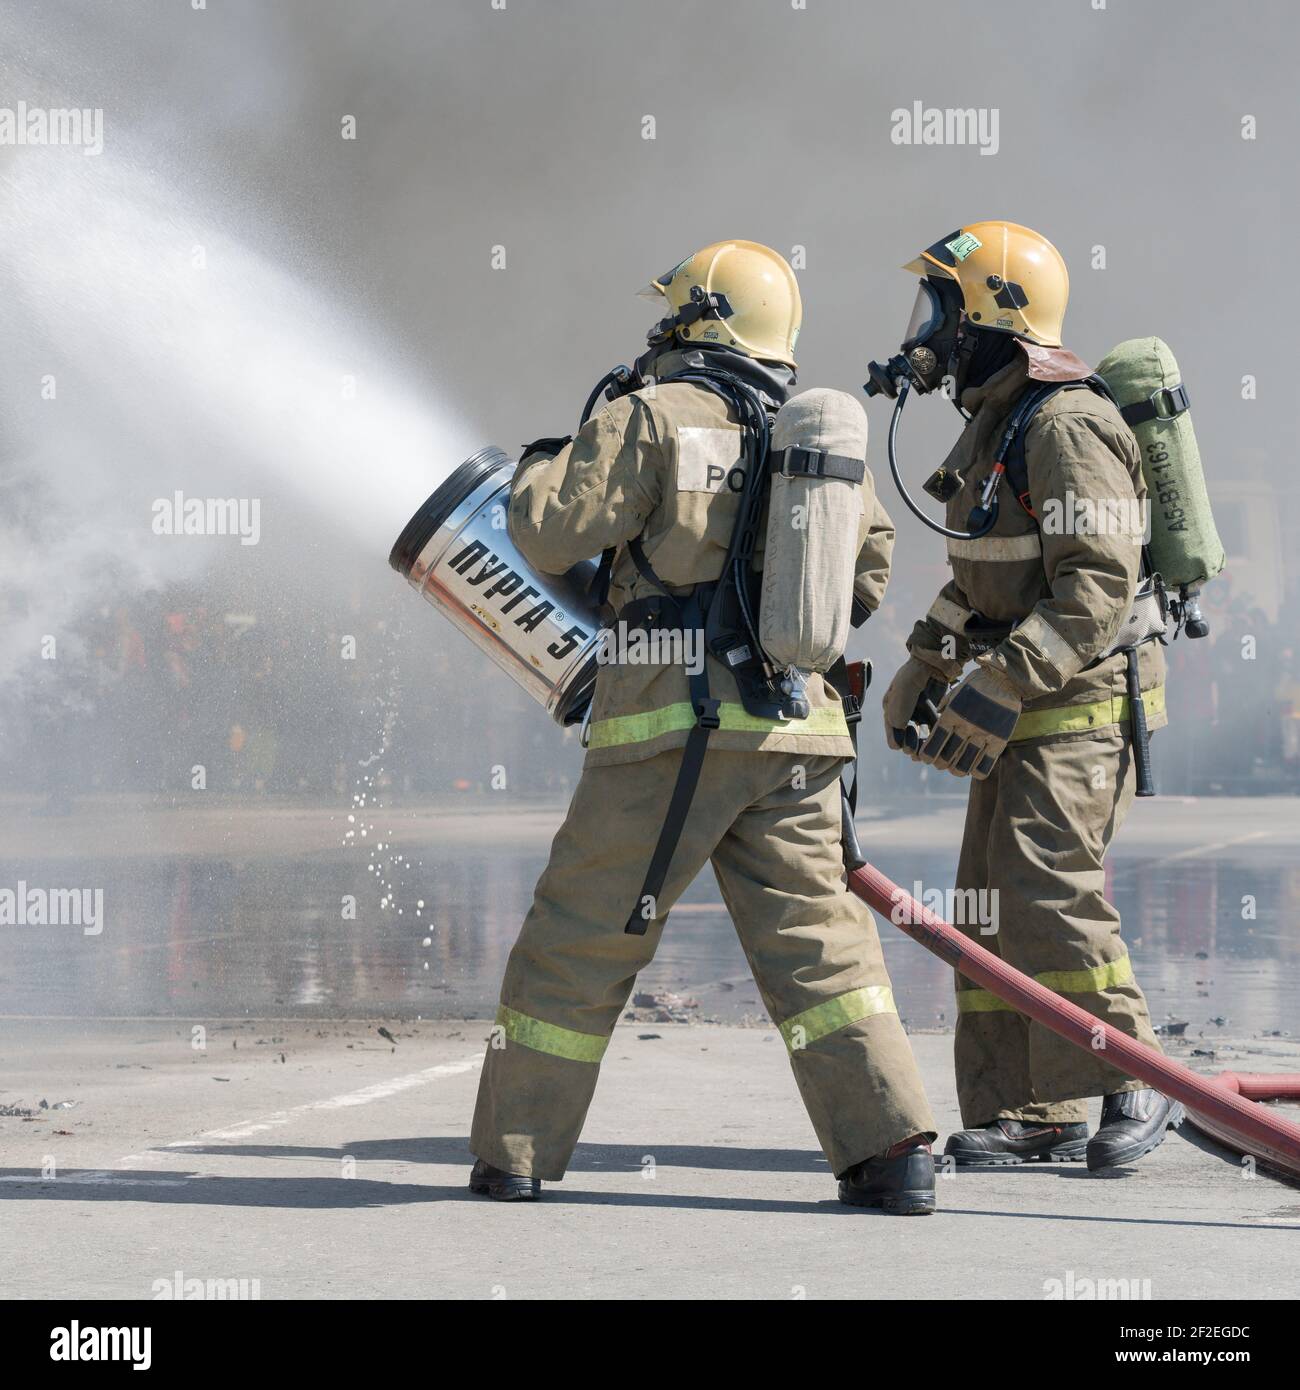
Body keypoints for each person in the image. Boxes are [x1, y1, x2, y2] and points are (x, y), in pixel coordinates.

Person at [469, 240, 938, 1212]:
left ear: (697, 321)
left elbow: (550, 529)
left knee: (580, 936)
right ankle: (893, 1153)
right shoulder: (818, 436)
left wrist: (541, 466)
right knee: (824, 949)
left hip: (667, 725)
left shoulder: (653, 416)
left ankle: (514, 1152)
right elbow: (864, 571)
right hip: (796, 733)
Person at [878, 222, 1182, 1169]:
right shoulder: (999, 421)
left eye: (939, 307)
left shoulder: (1066, 424)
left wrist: (1001, 682)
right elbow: (984, 578)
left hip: (1078, 707)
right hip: (1023, 711)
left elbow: (1097, 586)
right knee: (987, 905)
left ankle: (1135, 1077)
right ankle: (1034, 1107)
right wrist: (923, 667)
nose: (924, 330)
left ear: (989, 313)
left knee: (1049, 888)